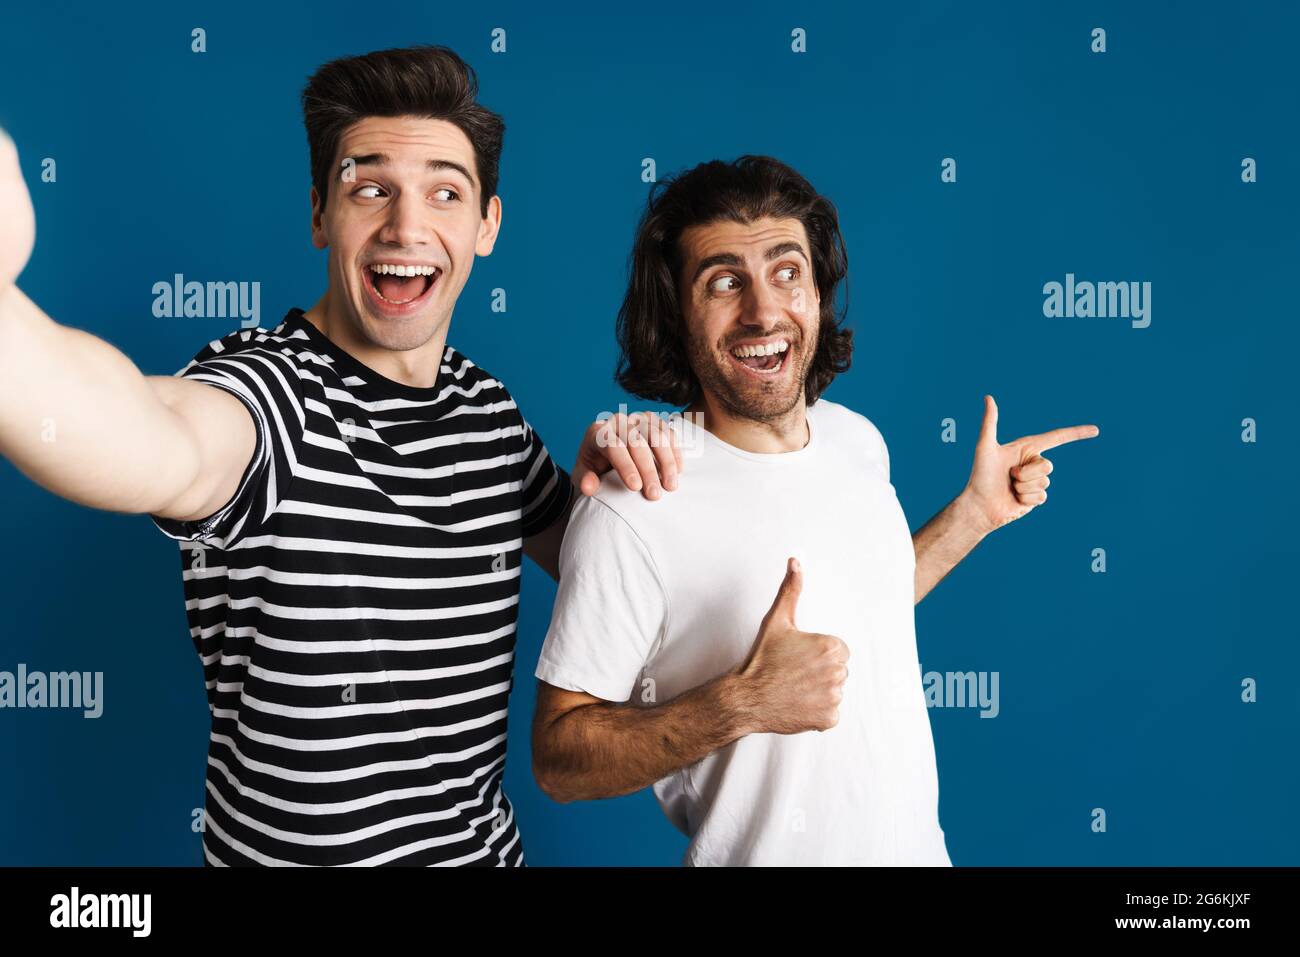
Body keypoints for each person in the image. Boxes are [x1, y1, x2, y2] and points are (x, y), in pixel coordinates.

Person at [0, 46, 677, 866]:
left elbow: (620, 574)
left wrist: (624, 476)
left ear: (486, 225)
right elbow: (149, 433)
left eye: (445, 192)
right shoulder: (268, 393)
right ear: (321, 213)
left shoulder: (489, 414)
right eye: (370, 188)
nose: (407, 227)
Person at [531, 155, 1099, 866]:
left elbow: (863, 607)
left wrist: (973, 515)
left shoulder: (856, 440)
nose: (763, 311)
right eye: (724, 281)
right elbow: (557, 757)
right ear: (676, 315)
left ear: (820, 293)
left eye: (786, 271)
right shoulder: (635, 499)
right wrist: (744, 702)